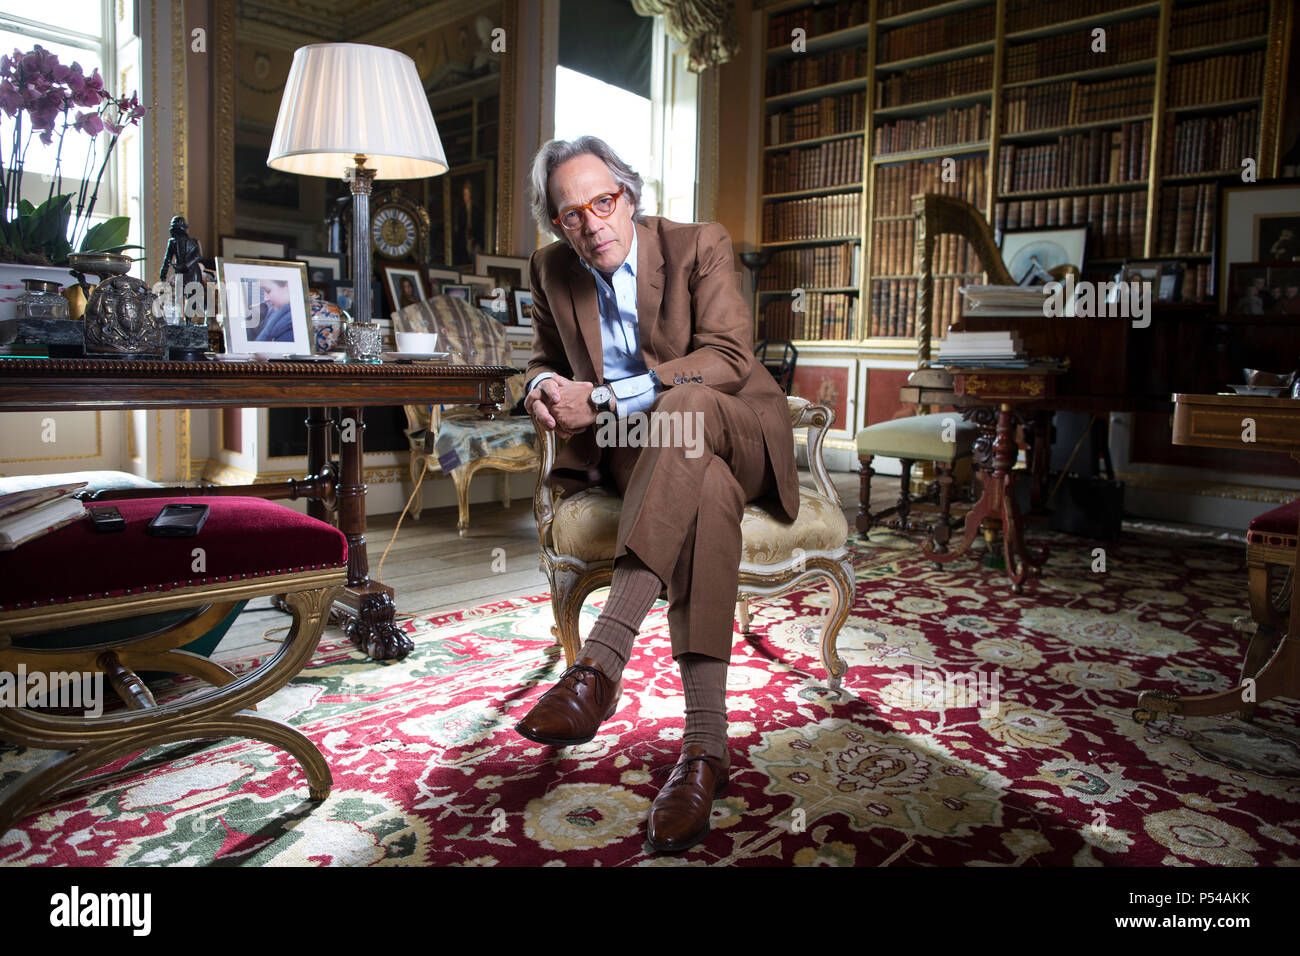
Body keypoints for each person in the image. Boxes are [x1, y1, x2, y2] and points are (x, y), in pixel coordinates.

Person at [516, 135, 798, 852]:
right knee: (701, 486)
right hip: (652, 460)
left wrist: (609, 398)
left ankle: (601, 662)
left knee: (688, 407)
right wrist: (542, 384)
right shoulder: (551, 270)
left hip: (735, 428)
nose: (592, 223)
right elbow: (543, 357)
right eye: (571, 213)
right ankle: (706, 751)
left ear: (630, 197)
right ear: (556, 225)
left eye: (603, 201)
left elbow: (728, 359)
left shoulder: (699, 243)